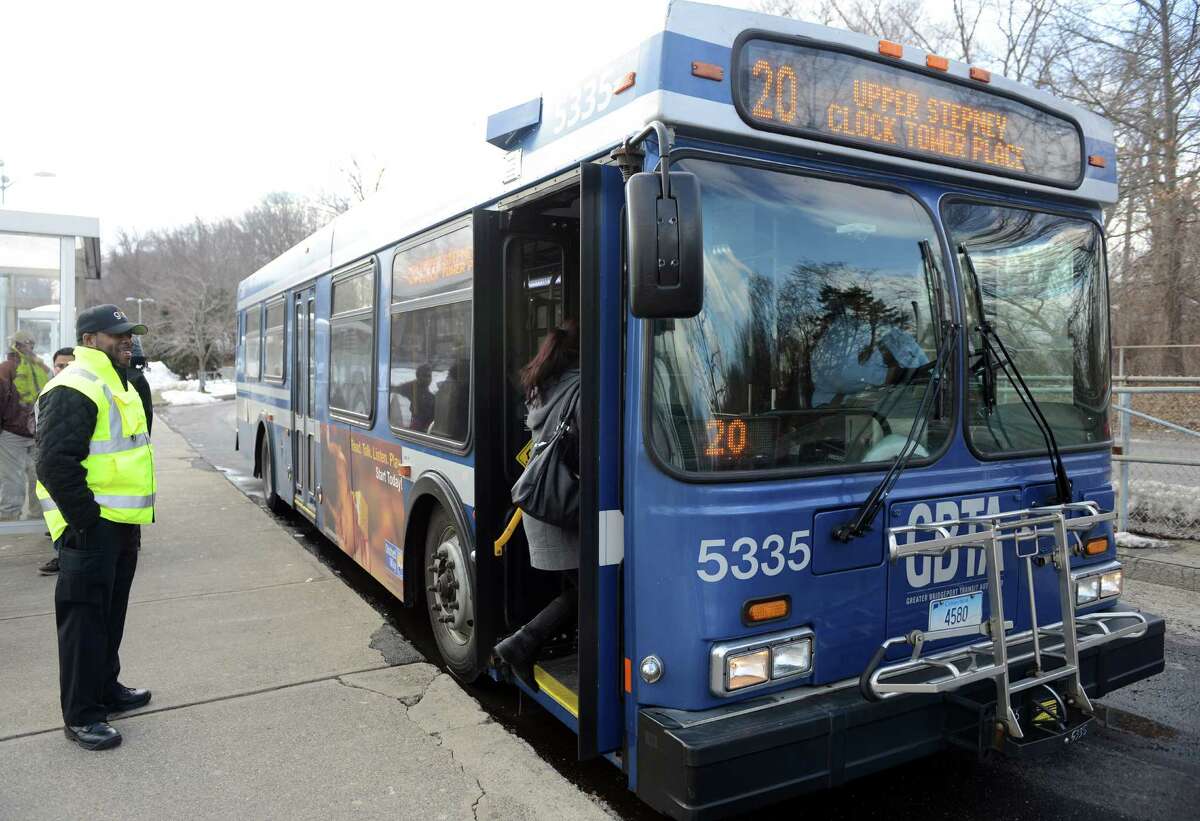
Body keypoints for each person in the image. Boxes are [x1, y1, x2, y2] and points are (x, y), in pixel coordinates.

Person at [35, 305, 155, 751]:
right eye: (116, 335)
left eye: (129, 334)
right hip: (91, 527)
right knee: (84, 621)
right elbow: (53, 463)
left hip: (120, 524)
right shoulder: (74, 386)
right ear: (90, 340)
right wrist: (85, 520)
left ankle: (106, 689)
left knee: (109, 614)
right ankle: (82, 715)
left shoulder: (117, 382)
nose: (127, 340)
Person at [494, 319, 580, 690]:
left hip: (546, 503)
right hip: (566, 507)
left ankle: (530, 645)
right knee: (591, 589)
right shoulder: (582, 388)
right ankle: (520, 645)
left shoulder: (542, 387)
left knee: (579, 587)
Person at [35, 349, 78, 576]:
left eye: (69, 365)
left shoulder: (79, 393)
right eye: (60, 366)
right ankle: (62, 554)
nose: (64, 369)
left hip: (69, 473)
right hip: (48, 470)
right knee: (58, 520)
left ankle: (65, 558)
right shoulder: (48, 391)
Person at [0, 331, 50, 521]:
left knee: (17, 477)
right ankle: (32, 515)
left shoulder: (5, 368)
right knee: (28, 477)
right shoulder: (41, 368)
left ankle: (10, 516)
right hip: (29, 431)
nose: (29, 347)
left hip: (14, 432)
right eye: (26, 344)